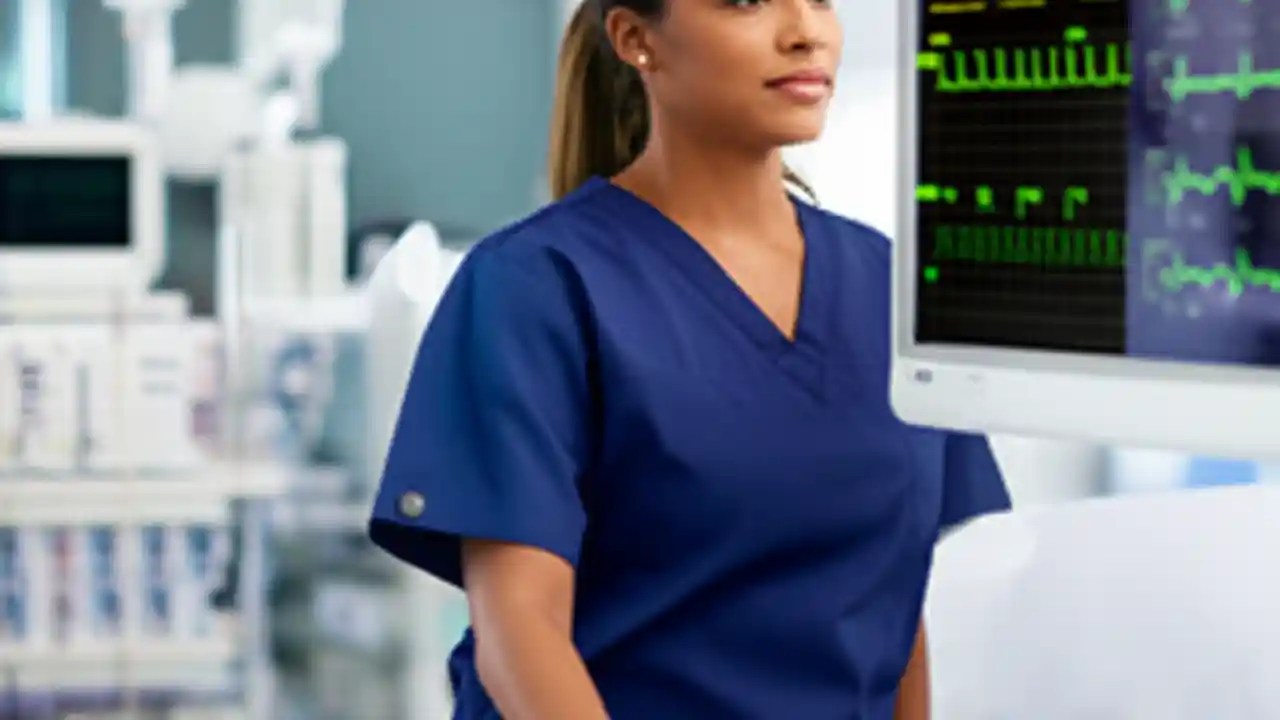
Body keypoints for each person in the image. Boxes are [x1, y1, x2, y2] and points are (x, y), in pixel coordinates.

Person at [368, 0, 1011, 718]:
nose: (806, 31)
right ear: (637, 38)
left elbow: (902, 605)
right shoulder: (532, 287)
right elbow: (521, 632)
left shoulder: (889, 290)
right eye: (745, 1)